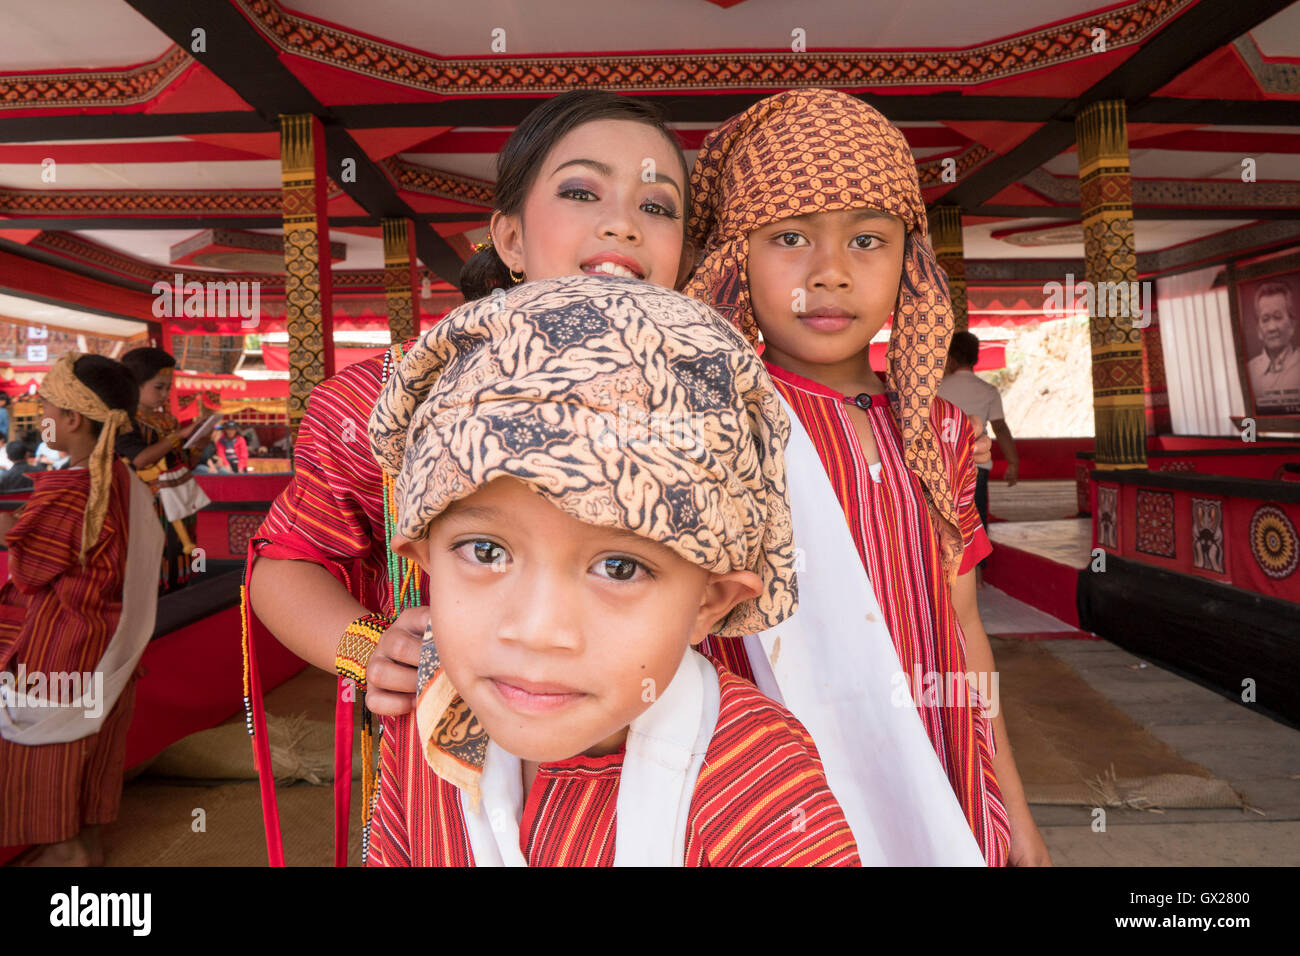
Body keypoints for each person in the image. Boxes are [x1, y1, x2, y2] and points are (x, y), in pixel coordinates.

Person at [247, 90, 988, 865]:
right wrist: (367, 647)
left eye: (658, 206)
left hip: (688, 772)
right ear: (507, 233)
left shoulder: (714, 393)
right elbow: (285, 562)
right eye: (580, 192)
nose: (623, 223)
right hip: (459, 751)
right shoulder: (398, 392)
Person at [363, 274, 857, 865]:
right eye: (486, 552)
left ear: (711, 600)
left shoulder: (759, 782)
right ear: (423, 559)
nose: (537, 629)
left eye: (620, 567)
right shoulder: (430, 711)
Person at [684, 89, 1050, 866]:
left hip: (940, 775)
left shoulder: (942, 431)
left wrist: (1010, 805)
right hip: (769, 792)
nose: (831, 274)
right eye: (789, 237)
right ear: (735, 259)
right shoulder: (712, 424)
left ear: (909, 263)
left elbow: (963, 629)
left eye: (867, 241)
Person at [0, 354, 164, 866]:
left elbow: (28, 573)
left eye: (45, 404)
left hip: (60, 651)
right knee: (91, 751)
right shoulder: (122, 480)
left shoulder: (72, 490)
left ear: (72, 419)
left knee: (42, 760)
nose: (39, 413)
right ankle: (86, 845)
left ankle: (64, 852)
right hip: (109, 650)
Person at [115, 348, 214, 594]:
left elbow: (183, 463)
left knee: (180, 558)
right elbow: (139, 459)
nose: (164, 394)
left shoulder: (167, 421)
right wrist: (178, 435)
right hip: (144, 505)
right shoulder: (123, 422)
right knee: (151, 566)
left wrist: (198, 444)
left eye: (167, 388)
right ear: (132, 385)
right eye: (158, 387)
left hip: (178, 500)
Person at [938, 330, 1020, 561]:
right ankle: (977, 574)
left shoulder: (936, 388)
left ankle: (945, 566)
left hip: (941, 465)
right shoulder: (988, 391)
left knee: (942, 517)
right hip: (976, 464)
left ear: (950, 358)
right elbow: (1000, 428)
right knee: (976, 517)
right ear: (975, 359)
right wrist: (1013, 461)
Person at [1247, 280, 1300, 411]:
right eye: (1265, 319)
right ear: (1259, 330)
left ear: (1292, 324)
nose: (1272, 328)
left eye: (1278, 317)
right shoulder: (1249, 371)